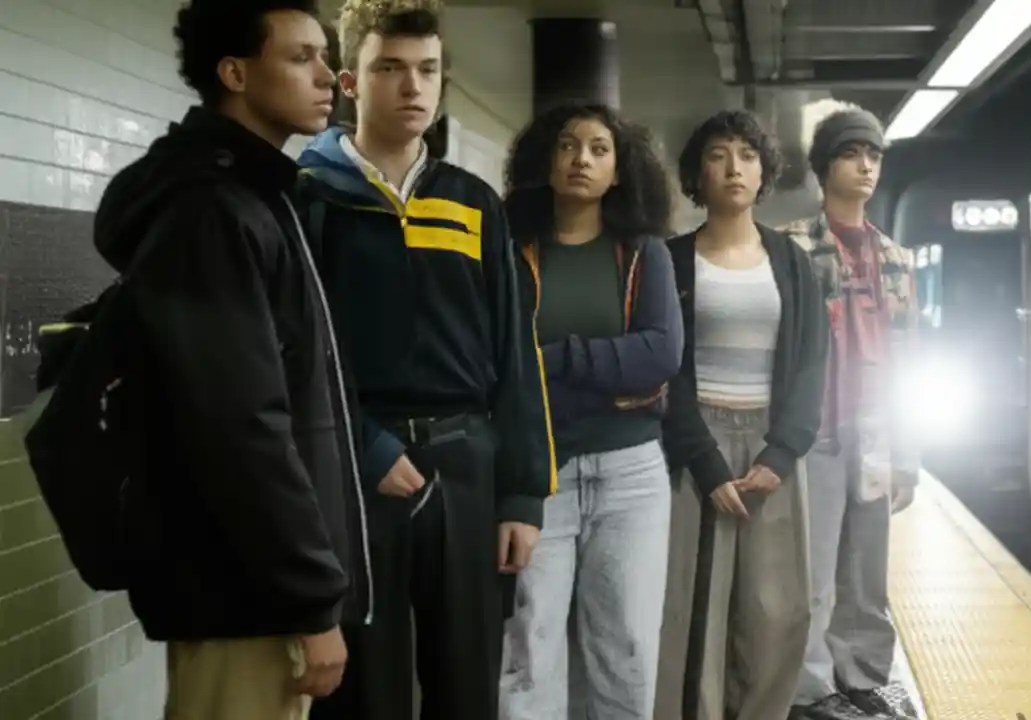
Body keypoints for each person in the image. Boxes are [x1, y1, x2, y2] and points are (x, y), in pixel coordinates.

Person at [92, 1, 368, 717]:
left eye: (325, 56)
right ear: (235, 73)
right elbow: (240, 426)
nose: (328, 76)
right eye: (301, 57)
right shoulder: (214, 211)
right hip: (244, 592)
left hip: (253, 585)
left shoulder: (253, 194)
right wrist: (311, 600)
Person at [296, 2, 556, 719]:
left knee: (467, 684)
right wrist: (364, 446)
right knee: (364, 692)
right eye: (390, 68)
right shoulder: (309, 198)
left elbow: (515, 350)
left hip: (465, 466)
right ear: (350, 82)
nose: (413, 86)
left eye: (428, 70)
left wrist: (522, 495)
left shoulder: (473, 204)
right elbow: (296, 353)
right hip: (359, 471)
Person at [498, 103, 683, 720]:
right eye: (568, 145)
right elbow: (501, 362)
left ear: (619, 169)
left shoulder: (642, 253)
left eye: (599, 149)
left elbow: (661, 354)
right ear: (545, 160)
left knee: (626, 648)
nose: (582, 159)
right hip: (538, 471)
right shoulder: (512, 250)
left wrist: (556, 359)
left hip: (631, 473)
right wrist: (604, 369)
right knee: (530, 646)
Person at [657, 109, 828, 720]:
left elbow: (812, 361)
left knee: (777, 609)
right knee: (690, 607)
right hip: (693, 445)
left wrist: (781, 453)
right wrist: (703, 462)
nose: (734, 167)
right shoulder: (669, 260)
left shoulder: (792, 261)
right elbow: (666, 368)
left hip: (769, 447)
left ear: (763, 174)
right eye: (718, 155)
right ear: (697, 176)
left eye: (748, 156)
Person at [785, 106, 921, 720]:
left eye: (873, 155)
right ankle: (811, 690)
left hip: (875, 432)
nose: (866, 165)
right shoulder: (790, 246)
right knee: (812, 573)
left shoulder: (896, 258)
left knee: (867, 570)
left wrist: (907, 456)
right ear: (824, 168)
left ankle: (863, 676)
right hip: (814, 429)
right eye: (851, 153)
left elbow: (908, 359)